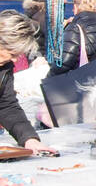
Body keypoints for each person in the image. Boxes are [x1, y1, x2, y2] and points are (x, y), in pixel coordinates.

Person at [0, 11, 57, 155]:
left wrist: (29, 139)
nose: (14, 60)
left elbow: (6, 105)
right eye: (12, 53)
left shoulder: (5, 67)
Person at [46, 0, 96, 76]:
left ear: (77, 5)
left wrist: (47, 80)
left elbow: (62, 64)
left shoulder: (75, 29)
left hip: (82, 85)